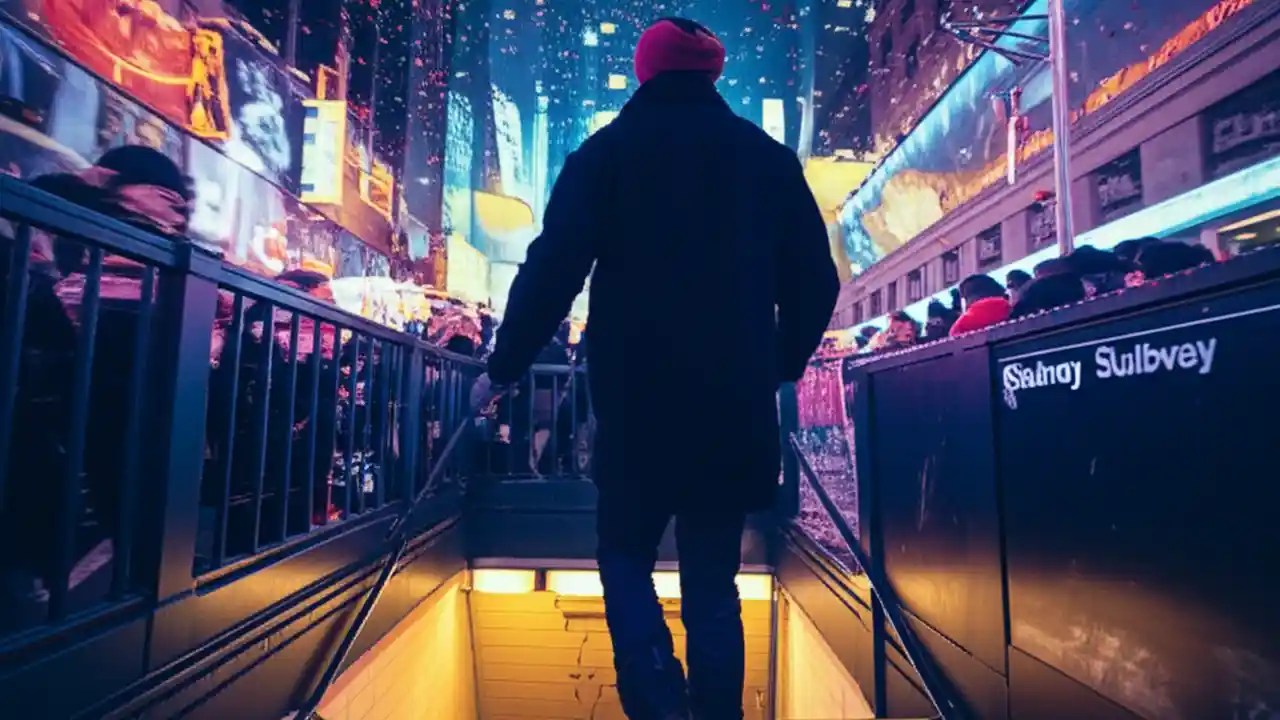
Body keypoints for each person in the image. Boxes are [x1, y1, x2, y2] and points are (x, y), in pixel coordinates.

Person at [471, 16, 838, 719]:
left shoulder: (608, 154)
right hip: (733, 407)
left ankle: (656, 699)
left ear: (645, 71)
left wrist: (508, 362)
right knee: (712, 582)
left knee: (624, 555)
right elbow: (816, 282)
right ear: (711, 75)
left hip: (637, 402)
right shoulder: (766, 159)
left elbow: (553, 269)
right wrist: (776, 363)